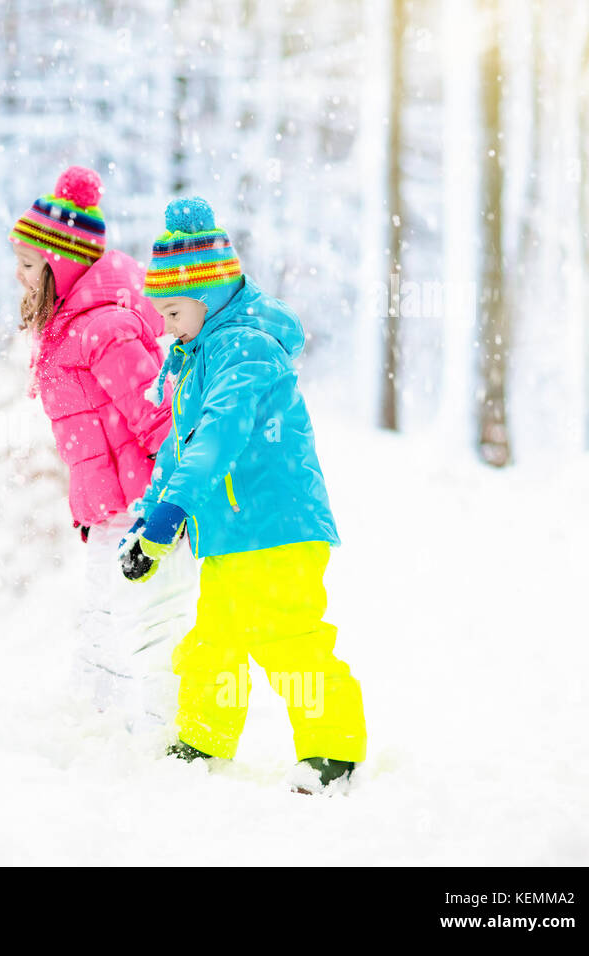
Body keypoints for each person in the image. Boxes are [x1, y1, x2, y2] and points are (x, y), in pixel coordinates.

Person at [120, 196, 367, 792]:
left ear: (205, 299)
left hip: (277, 526)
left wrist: (173, 513)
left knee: (287, 640)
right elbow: (180, 447)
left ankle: (332, 752)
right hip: (231, 533)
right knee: (214, 643)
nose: (166, 327)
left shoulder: (246, 348)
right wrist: (151, 517)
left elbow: (218, 439)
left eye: (174, 312)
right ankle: (203, 739)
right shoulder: (198, 351)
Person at [9, 166, 192, 727]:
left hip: (144, 504)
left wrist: (169, 508)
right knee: (99, 621)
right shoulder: (70, 322)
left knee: (149, 623)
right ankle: (98, 729)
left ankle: (169, 737)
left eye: (25, 265)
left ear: (58, 266)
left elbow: (157, 417)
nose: (16, 276)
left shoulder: (104, 327)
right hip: (108, 506)